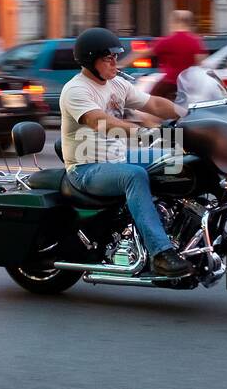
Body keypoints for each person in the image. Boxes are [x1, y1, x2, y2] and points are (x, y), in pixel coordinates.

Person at [60, 27, 192, 279]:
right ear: (90, 60)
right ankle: (161, 253)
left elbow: (153, 103)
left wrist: (188, 113)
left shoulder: (117, 84)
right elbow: (101, 121)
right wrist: (146, 133)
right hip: (86, 168)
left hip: (117, 159)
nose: (114, 61)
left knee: (179, 161)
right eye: (108, 57)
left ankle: (183, 228)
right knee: (134, 176)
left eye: (115, 57)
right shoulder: (76, 90)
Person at [151, 9, 206, 100]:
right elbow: (200, 62)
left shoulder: (167, 41)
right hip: (189, 85)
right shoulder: (196, 41)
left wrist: (122, 63)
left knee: (150, 103)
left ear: (174, 22)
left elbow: (144, 53)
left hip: (170, 83)